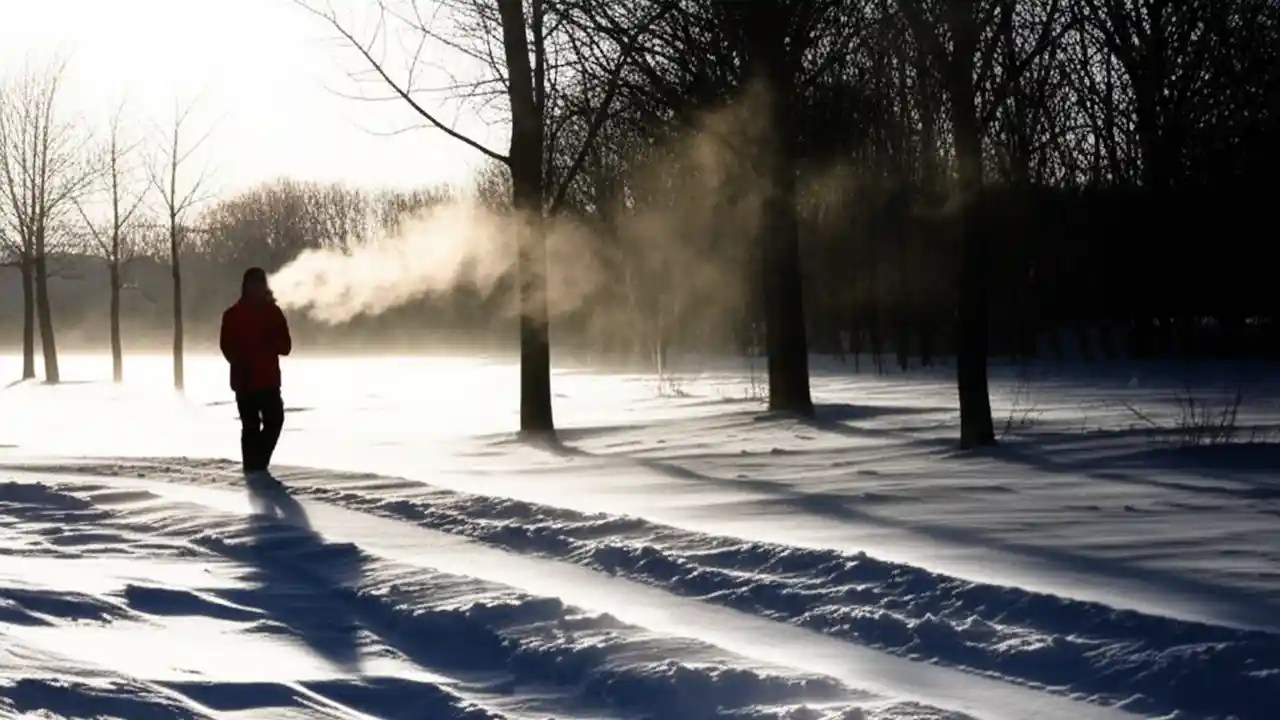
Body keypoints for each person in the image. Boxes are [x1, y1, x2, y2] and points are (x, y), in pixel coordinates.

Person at [220, 267, 292, 482]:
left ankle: (257, 467)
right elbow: (226, 346)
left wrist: (271, 339)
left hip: (268, 381)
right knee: (250, 427)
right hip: (244, 380)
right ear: (245, 286)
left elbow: (286, 347)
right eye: (253, 284)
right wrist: (240, 362)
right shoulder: (232, 315)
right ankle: (253, 472)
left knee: (274, 421)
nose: (256, 288)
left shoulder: (273, 313)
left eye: (260, 283)